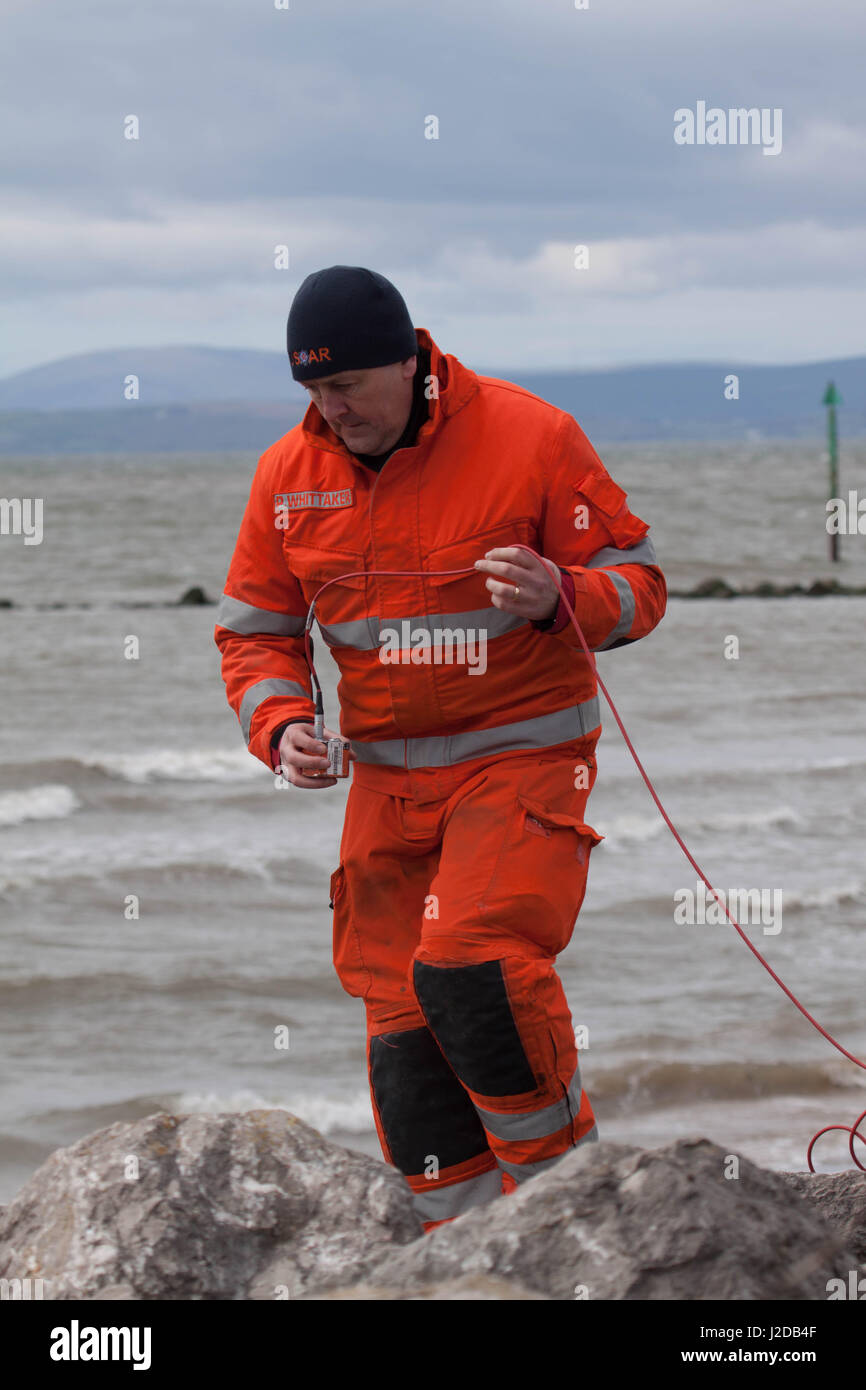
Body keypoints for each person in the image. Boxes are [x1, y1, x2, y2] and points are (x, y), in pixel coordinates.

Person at [215, 265, 667, 1230]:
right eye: (312, 394)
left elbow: (639, 584)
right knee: (402, 1027)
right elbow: (256, 631)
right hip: (384, 785)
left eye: (348, 389)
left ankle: (569, 1212)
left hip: (521, 762)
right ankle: (458, 1249)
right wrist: (282, 724)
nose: (331, 413)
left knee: (475, 964)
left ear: (411, 361)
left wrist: (564, 597)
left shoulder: (530, 435)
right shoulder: (287, 477)